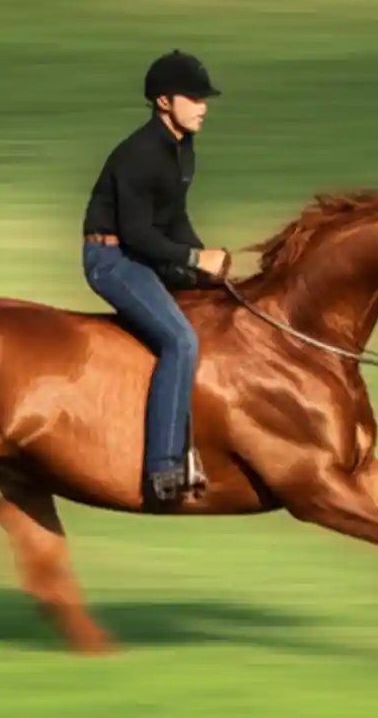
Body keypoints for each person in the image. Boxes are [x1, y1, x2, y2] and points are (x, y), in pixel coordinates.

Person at [81, 50, 231, 502]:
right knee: (180, 340)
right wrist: (190, 257)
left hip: (143, 252)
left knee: (218, 305)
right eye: (194, 97)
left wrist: (204, 262)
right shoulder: (140, 153)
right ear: (164, 102)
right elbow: (137, 234)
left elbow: (174, 217)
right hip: (113, 261)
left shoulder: (182, 148)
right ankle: (163, 467)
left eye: (205, 97)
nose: (203, 106)